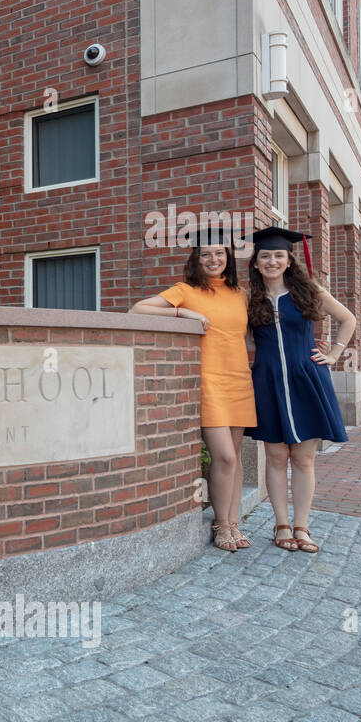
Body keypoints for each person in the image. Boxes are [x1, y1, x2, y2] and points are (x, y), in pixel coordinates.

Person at [129, 228, 256, 551]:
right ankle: (220, 522)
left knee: (236, 458)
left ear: (228, 257)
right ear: (196, 260)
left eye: (219, 253)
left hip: (239, 380)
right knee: (223, 456)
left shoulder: (240, 293)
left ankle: (233, 522)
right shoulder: (185, 290)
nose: (213, 259)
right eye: (206, 255)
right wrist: (181, 311)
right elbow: (137, 309)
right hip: (209, 381)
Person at [245, 226, 355, 553]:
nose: (272, 261)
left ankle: (302, 527)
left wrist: (333, 353)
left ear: (289, 259)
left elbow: (347, 319)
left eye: (278, 255)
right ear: (256, 261)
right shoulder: (251, 298)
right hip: (268, 380)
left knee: (304, 458)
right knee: (276, 456)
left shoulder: (309, 291)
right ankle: (281, 526)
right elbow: (248, 338)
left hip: (306, 378)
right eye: (265, 256)